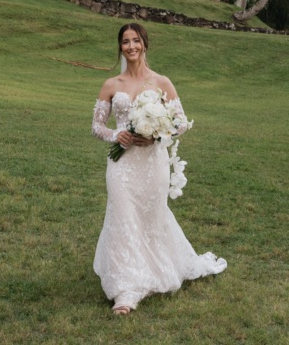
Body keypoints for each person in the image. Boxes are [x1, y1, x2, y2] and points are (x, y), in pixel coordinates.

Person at [90, 22, 226, 314]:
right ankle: (126, 290)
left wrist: (158, 133)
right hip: (122, 166)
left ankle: (154, 270)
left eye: (135, 41)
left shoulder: (162, 82)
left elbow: (181, 124)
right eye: (125, 42)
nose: (130, 47)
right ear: (120, 47)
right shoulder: (112, 85)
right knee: (123, 219)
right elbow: (96, 126)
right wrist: (118, 135)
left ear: (145, 44)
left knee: (151, 219)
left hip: (153, 165)